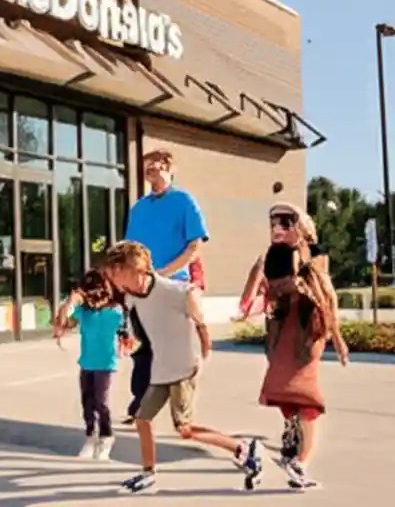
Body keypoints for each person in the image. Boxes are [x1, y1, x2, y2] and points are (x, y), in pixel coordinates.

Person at [101, 241, 264, 494]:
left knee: (185, 429)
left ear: (136, 270)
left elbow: (193, 302)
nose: (112, 280)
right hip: (161, 368)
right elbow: (136, 321)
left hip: (184, 366)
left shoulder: (172, 291)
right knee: (143, 419)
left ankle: (242, 449)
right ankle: (148, 473)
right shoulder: (132, 296)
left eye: (116, 273)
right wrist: (127, 335)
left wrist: (205, 341)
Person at [237, 203, 349, 490]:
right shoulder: (272, 255)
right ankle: (293, 437)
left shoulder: (312, 256)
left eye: (286, 222)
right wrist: (247, 305)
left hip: (307, 329)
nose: (277, 228)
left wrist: (337, 338)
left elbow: (327, 295)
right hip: (281, 329)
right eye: (274, 222)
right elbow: (256, 278)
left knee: (305, 395)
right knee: (284, 388)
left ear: (301, 226)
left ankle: (300, 458)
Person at [120, 149, 209, 425]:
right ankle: (140, 406)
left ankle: (183, 415)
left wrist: (164, 272)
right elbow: (129, 250)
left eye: (157, 167)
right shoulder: (139, 208)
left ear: (170, 169)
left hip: (173, 286)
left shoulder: (183, 201)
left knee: (176, 353)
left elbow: (195, 245)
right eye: (147, 169)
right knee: (144, 350)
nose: (151, 172)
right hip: (142, 289)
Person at [53, 270, 126, 460]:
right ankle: (90, 436)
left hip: (106, 363)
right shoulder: (83, 312)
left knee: (101, 402)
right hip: (87, 363)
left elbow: (128, 328)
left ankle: (106, 436)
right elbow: (62, 323)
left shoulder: (115, 311)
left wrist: (127, 341)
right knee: (87, 402)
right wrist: (70, 302)